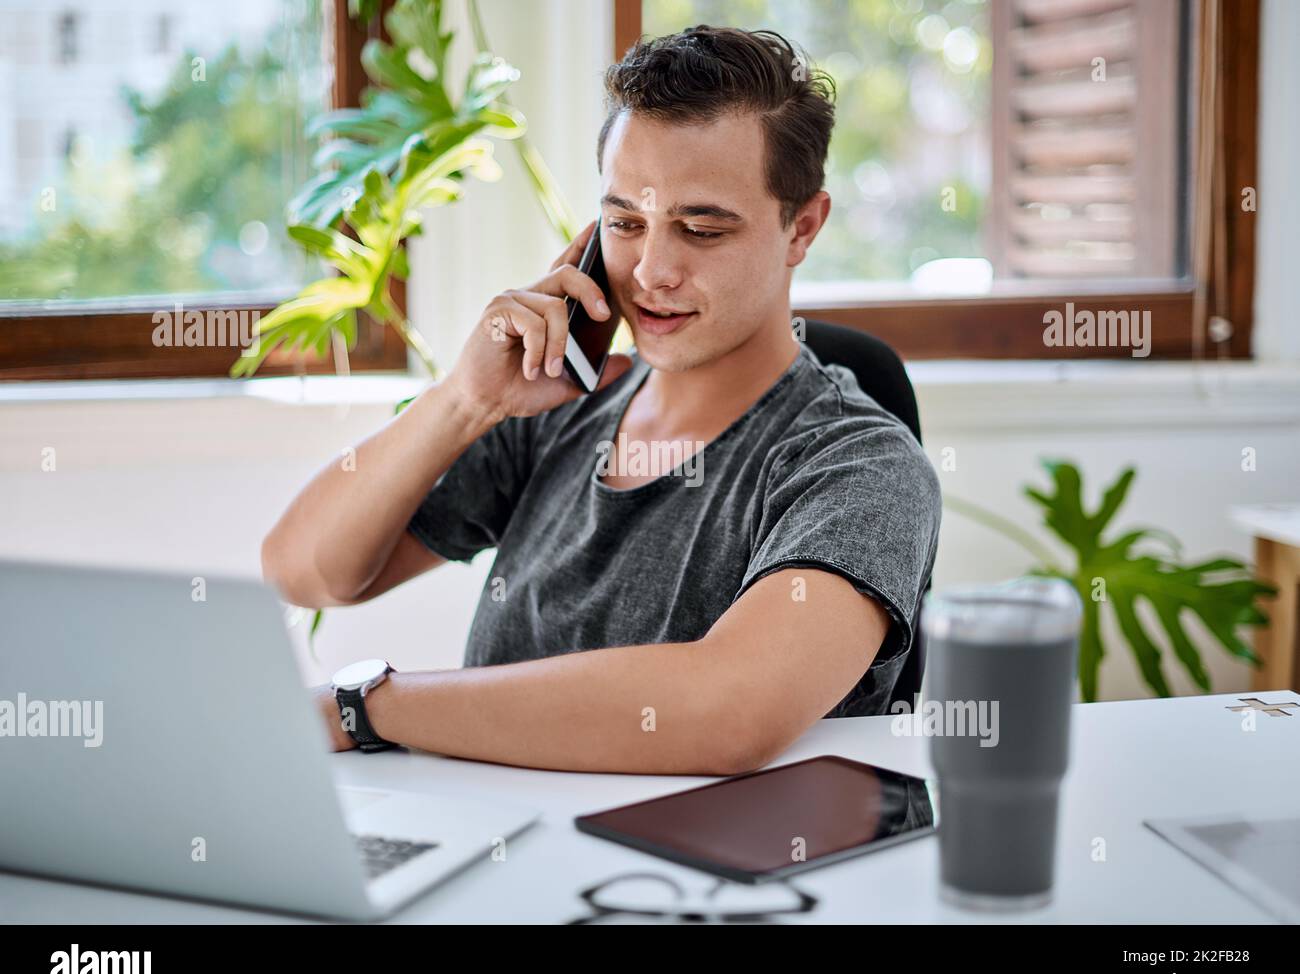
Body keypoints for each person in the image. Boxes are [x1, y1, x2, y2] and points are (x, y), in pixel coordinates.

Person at [261, 25, 942, 775]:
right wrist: (465, 400)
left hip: (679, 855)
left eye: (700, 229)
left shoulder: (863, 467)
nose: (651, 271)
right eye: (625, 223)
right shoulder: (553, 410)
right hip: (488, 835)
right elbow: (306, 571)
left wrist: (368, 707)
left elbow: (729, 709)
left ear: (801, 227)